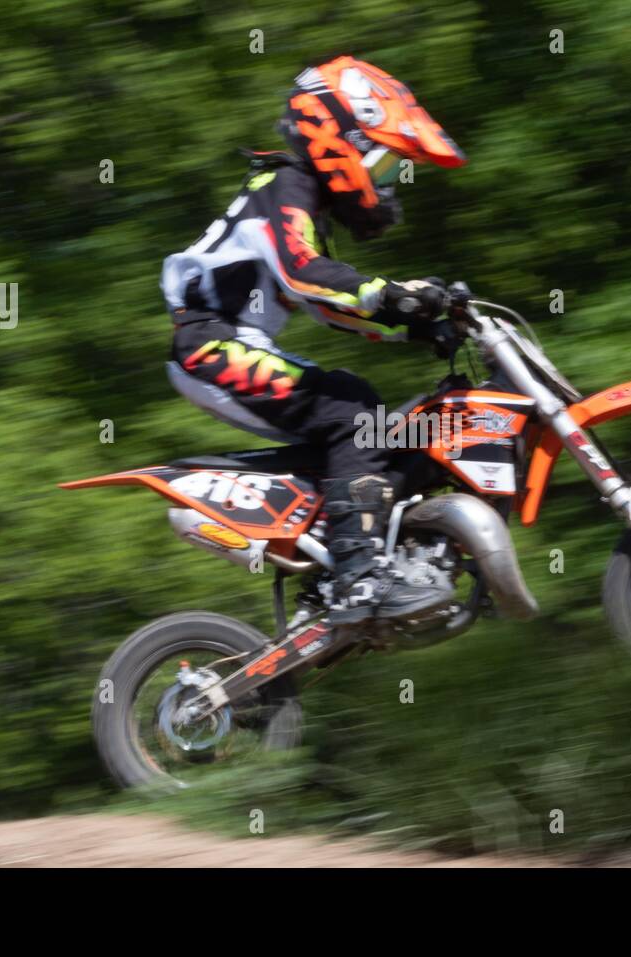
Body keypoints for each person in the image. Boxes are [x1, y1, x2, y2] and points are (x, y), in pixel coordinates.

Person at [159, 55, 467, 623]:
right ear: (340, 140)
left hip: (228, 342)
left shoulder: (300, 199)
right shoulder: (287, 182)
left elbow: (328, 307)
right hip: (210, 343)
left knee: (384, 423)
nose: (384, 184)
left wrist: (418, 323)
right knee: (352, 409)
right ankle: (357, 577)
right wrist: (393, 292)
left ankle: (347, 547)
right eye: (383, 163)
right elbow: (304, 272)